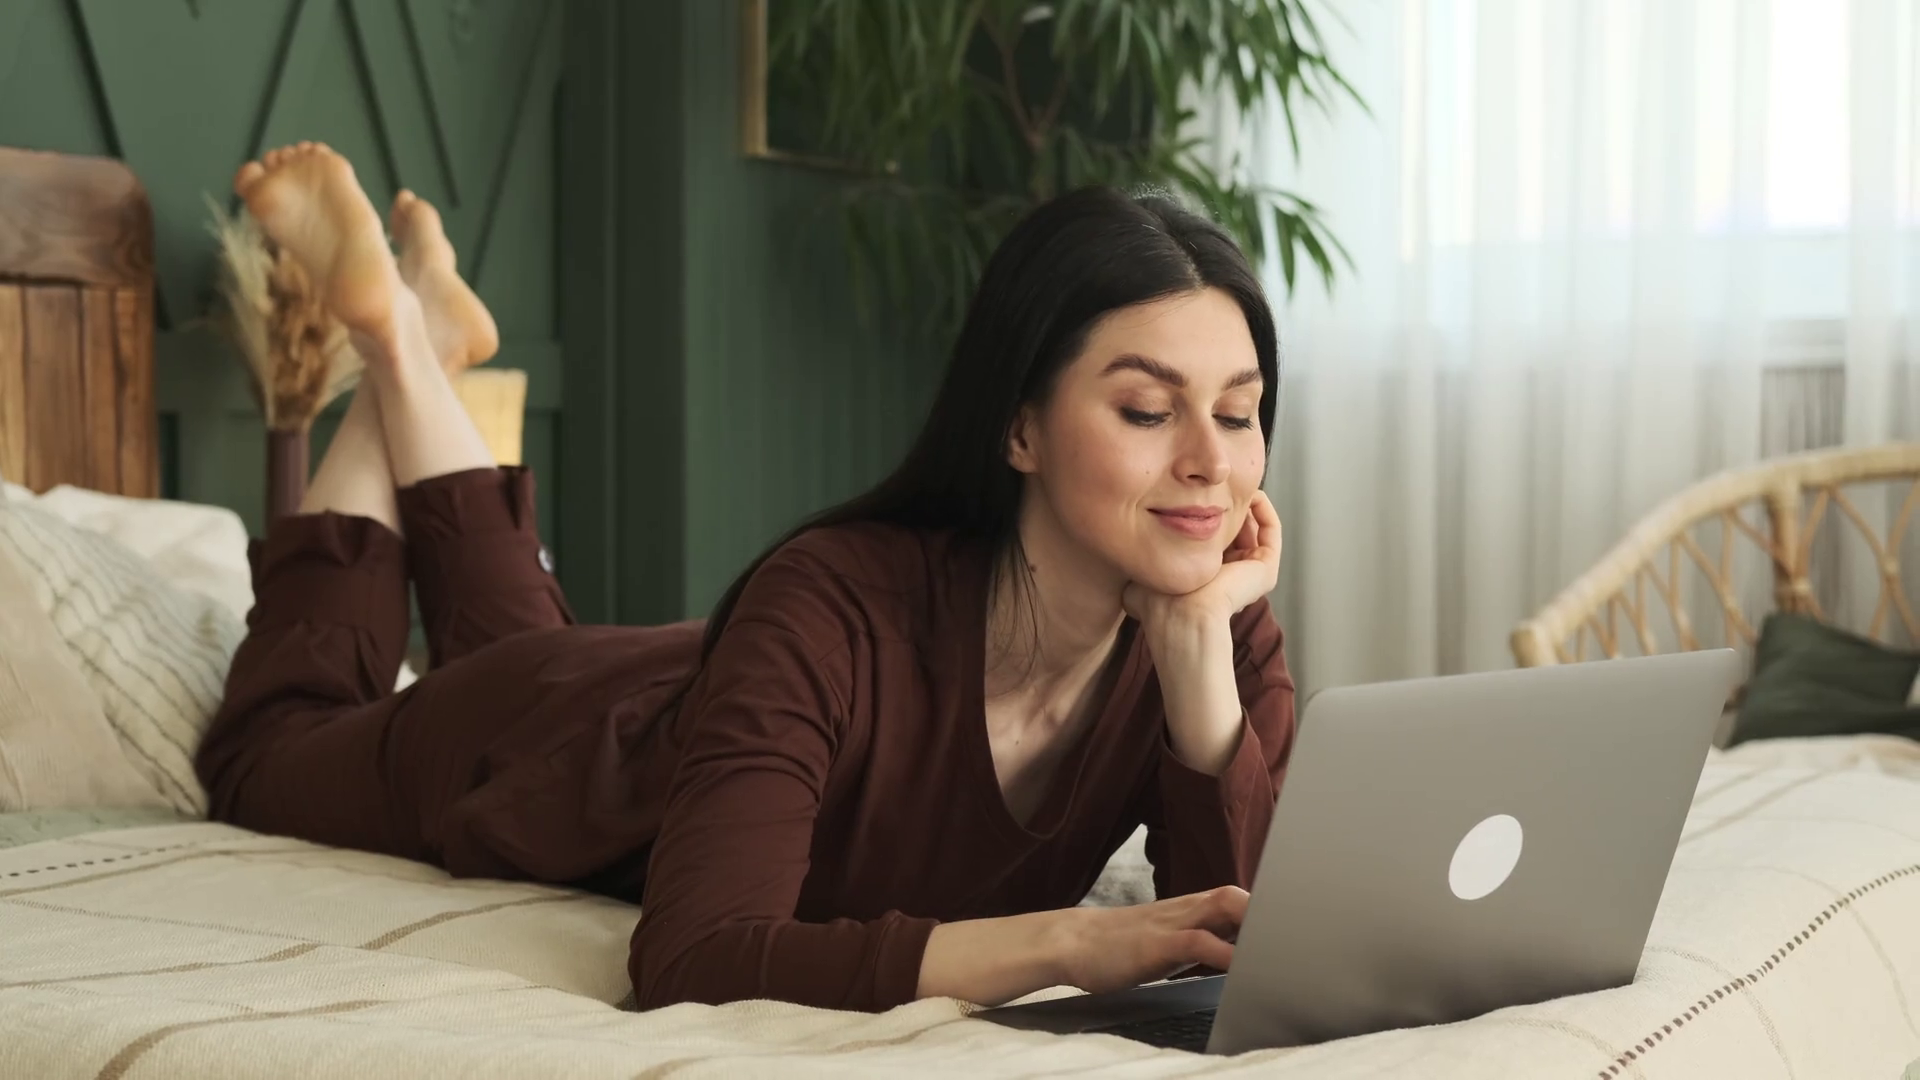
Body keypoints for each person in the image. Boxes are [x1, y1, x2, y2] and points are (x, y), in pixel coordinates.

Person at [196, 140, 1295, 1015]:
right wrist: (1067, 943)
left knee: (519, 646)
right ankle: (393, 345)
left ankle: (416, 345)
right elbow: (695, 954)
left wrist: (1199, 676)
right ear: (1019, 429)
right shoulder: (833, 598)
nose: (1211, 459)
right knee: (266, 756)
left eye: (1239, 412)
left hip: (693, 689)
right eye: (1147, 410)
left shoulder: (1213, 619)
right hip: (565, 744)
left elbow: (1256, 945)